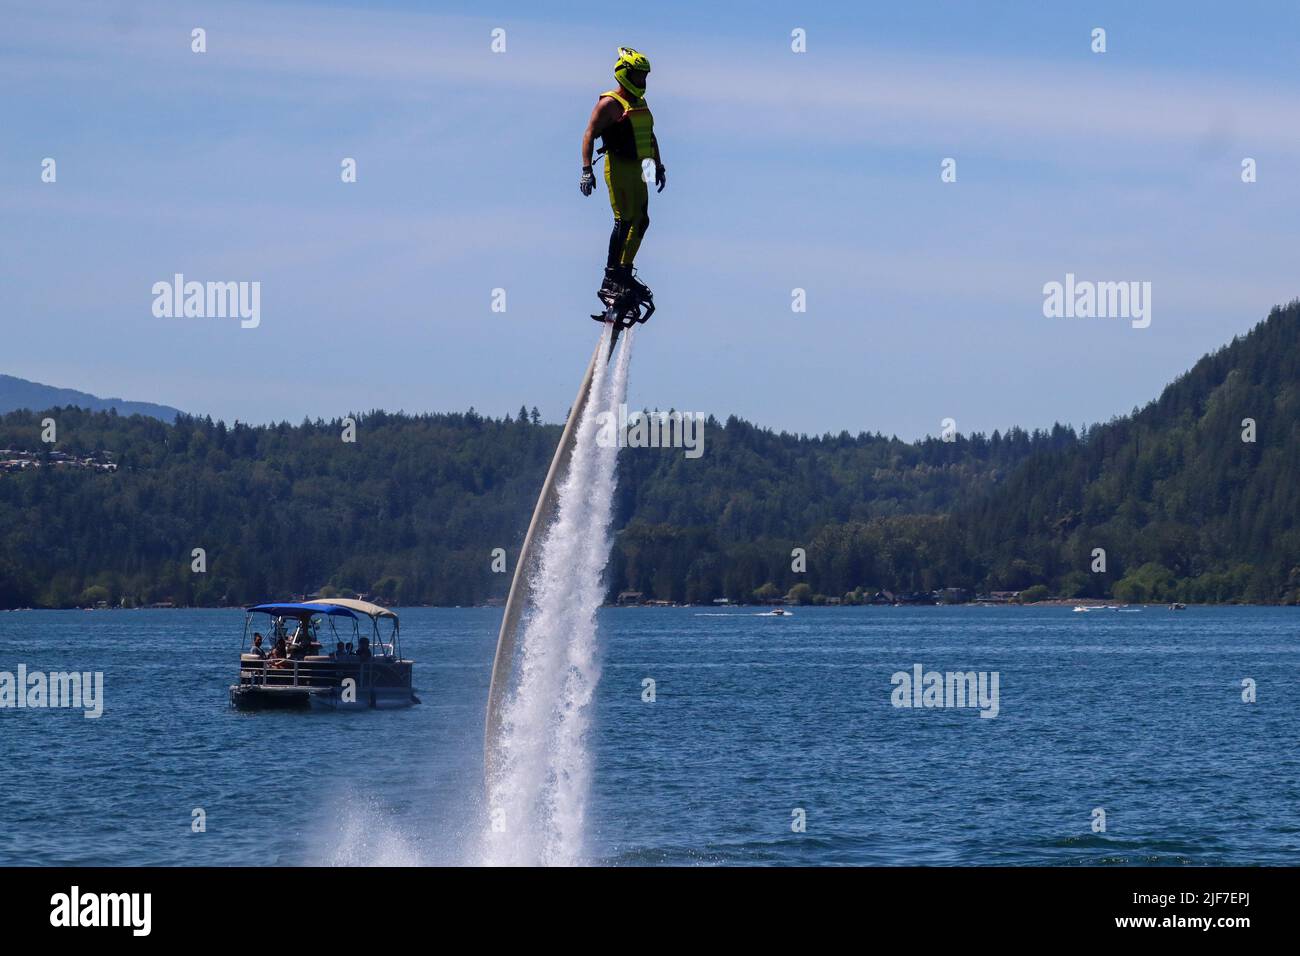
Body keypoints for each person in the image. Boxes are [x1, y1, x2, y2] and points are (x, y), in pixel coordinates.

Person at [580, 47, 666, 310]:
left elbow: (649, 137)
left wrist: (658, 167)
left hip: (641, 169)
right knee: (624, 220)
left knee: (642, 221)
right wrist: (586, 170)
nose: (643, 82)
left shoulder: (640, 104)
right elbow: (588, 135)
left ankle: (624, 272)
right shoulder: (608, 104)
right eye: (639, 76)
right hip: (617, 168)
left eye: (644, 77)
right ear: (624, 74)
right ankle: (611, 276)